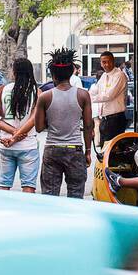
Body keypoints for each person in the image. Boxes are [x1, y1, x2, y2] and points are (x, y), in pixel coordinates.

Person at [33, 48, 93, 198]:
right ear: (72, 72)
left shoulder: (45, 97)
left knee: (50, 196)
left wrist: (52, 121)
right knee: (76, 194)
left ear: (53, 75)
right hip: (75, 149)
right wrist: (88, 152)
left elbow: (39, 127)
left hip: (52, 150)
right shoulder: (83, 95)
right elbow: (88, 126)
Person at [0, 57, 40, 193]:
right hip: (28, 146)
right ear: (30, 72)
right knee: (28, 186)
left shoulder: (2, 90)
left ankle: (4, 212)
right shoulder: (36, 92)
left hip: (5, 145)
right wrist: (17, 135)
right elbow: (33, 120)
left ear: (14, 72)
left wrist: (12, 135)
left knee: (4, 185)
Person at [90, 50, 128, 158]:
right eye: (104, 62)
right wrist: (86, 95)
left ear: (113, 61)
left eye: (108, 61)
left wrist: (90, 99)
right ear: (101, 64)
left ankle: (113, 174)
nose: (106, 64)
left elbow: (109, 95)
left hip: (116, 120)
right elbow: (95, 90)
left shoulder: (119, 75)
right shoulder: (103, 76)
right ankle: (104, 173)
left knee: (113, 153)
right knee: (104, 150)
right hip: (105, 120)